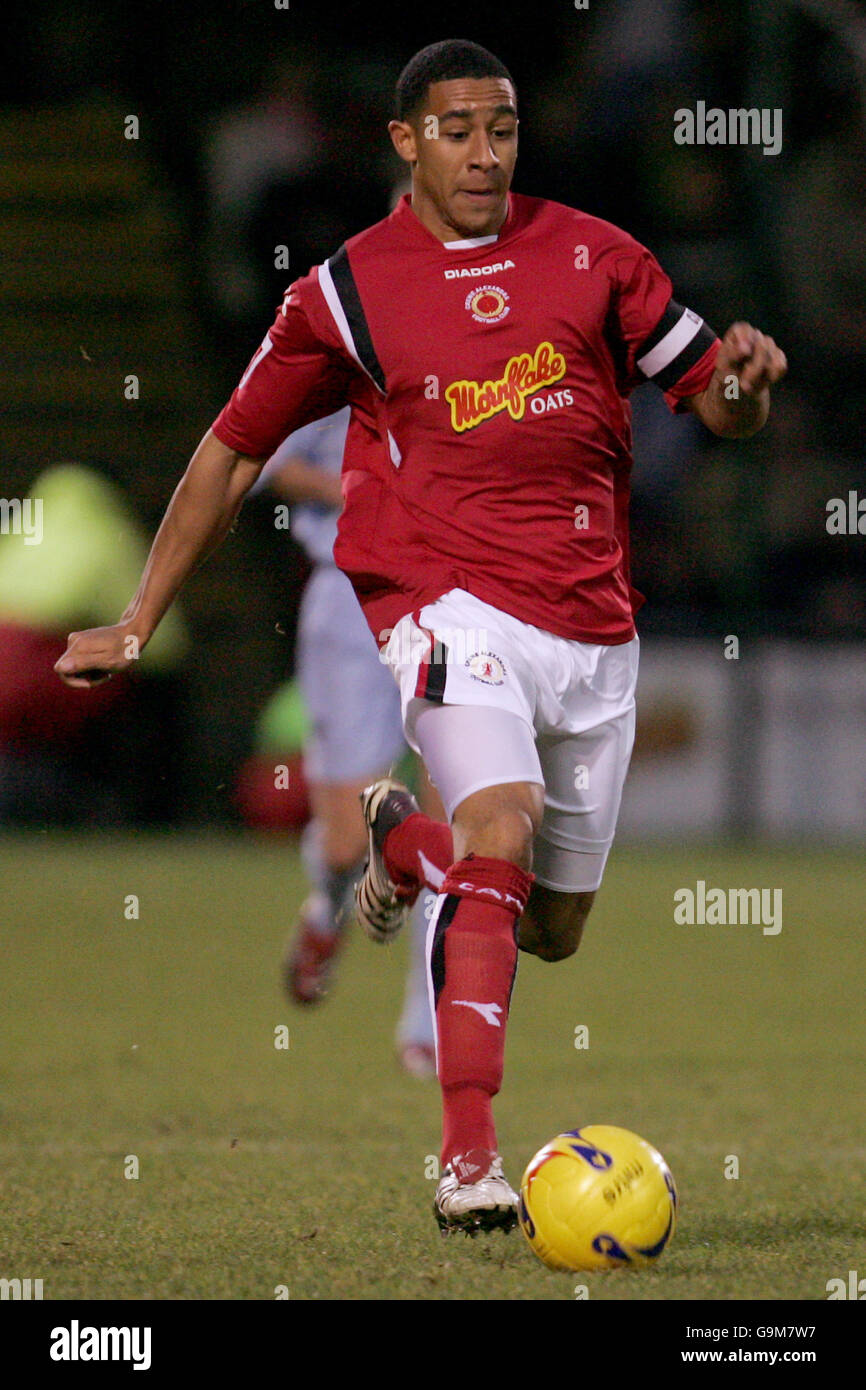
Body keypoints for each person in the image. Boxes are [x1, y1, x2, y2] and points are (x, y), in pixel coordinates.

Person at [56, 39, 787, 1235]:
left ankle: (404, 849)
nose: (484, 154)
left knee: (550, 929)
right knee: (501, 829)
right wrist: (141, 616)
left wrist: (743, 387)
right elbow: (233, 450)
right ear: (405, 142)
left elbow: (713, 395)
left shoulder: (597, 256)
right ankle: (465, 1159)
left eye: (501, 129)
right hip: (445, 606)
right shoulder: (344, 292)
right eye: (456, 131)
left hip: (591, 627)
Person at [254, 406, 437, 1076]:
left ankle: (428, 1021)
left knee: (453, 826)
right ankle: (327, 908)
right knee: (350, 842)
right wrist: (367, 491)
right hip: (350, 599)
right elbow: (268, 463)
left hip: (455, 596)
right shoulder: (330, 352)